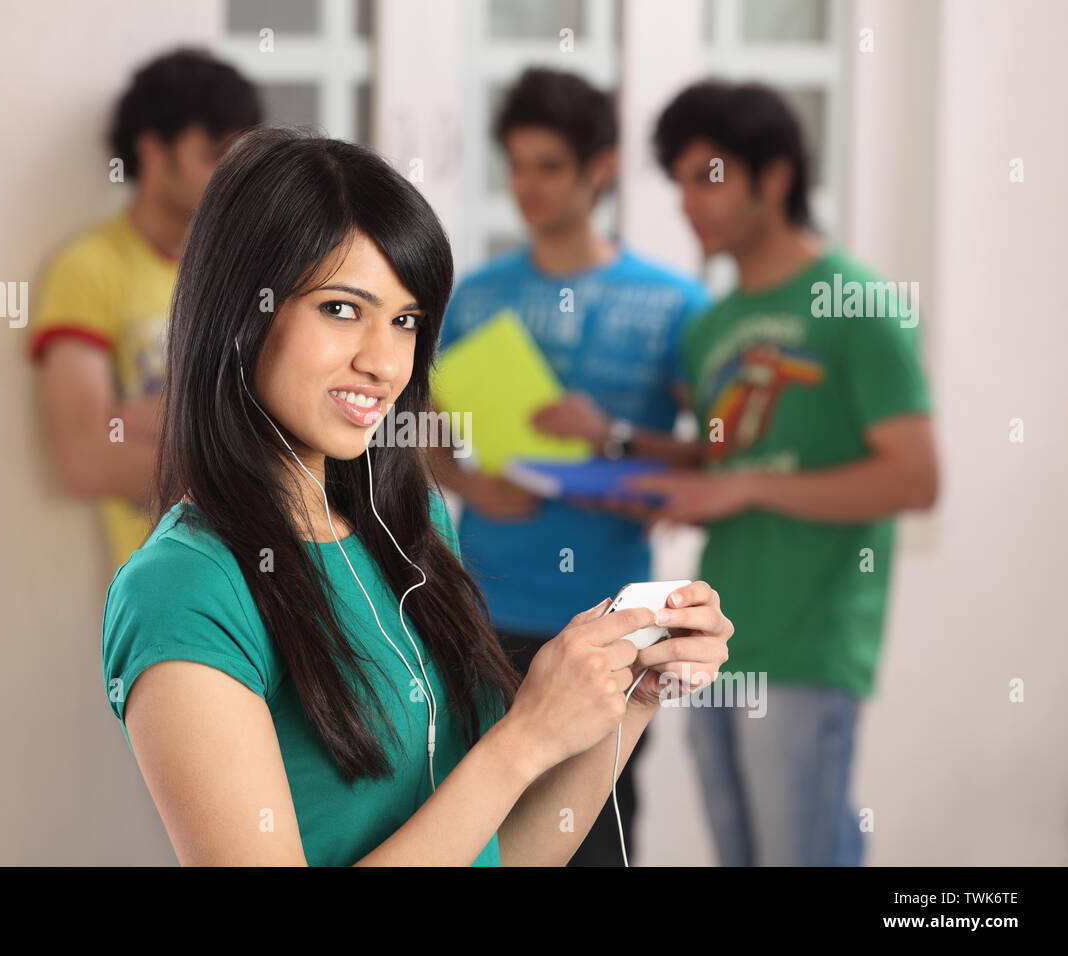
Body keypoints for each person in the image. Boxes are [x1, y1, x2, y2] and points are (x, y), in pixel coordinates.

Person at [100, 126, 734, 866]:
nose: (383, 362)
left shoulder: (407, 520)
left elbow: (510, 857)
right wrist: (524, 737)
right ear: (244, 309)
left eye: (405, 321)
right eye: (341, 309)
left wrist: (633, 690)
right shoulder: (184, 587)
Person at [605, 79, 938, 866]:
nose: (691, 202)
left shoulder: (856, 303)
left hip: (809, 649)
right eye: (680, 181)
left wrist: (744, 486)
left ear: (776, 175)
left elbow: (915, 479)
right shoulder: (713, 325)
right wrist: (622, 447)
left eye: (708, 176)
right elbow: (725, 459)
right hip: (713, 643)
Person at [425, 67, 711, 866]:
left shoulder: (674, 303)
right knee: (480, 832)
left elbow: (713, 455)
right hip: (480, 609)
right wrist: (470, 481)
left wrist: (615, 435)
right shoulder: (473, 297)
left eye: (549, 165)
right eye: (516, 165)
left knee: (594, 841)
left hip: (614, 619)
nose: (527, 186)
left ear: (602, 168)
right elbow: (415, 423)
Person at [30, 48, 262, 573]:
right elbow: (86, 459)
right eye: (215, 153)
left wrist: (151, 421)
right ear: (155, 152)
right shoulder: (88, 268)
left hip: (272, 579)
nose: (232, 176)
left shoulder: (253, 271)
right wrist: (240, 453)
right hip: (167, 587)